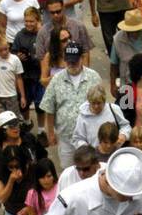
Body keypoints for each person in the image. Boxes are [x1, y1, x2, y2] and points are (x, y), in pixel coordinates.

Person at [40, 41, 101, 169]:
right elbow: (49, 108)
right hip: (66, 138)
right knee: (68, 172)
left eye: (75, 61)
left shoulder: (94, 77)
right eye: (69, 61)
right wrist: (50, 133)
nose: (72, 64)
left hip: (90, 137)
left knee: (90, 172)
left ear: (82, 58)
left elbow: (102, 105)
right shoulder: (56, 79)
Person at [109, 10, 142, 94]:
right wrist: (112, 85)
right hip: (127, 86)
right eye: (130, 30)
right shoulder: (118, 39)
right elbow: (114, 65)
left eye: (136, 30)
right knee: (126, 106)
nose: (133, 33)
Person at [36, 0, 91, 74]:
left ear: (64, 8)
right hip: (54, 73)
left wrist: (85, 75)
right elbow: (41, 58)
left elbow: (85, 52)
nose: (55, 15)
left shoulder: (79, 27)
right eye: (52, 12)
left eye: (58, 11)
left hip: (77, 71)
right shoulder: (43, 32)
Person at [11, 5, 44, 125]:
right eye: (26, 21)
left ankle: (41, 130)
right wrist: (17, 56)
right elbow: (13, 52)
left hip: (39, 75)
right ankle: (26, 123)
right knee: (23, 105)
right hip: (24, 76)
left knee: (40, 105)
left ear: (38, 20)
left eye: (31, 21)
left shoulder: (43, 34)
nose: (28, 24)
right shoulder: (20, 35)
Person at [72, 85, 130, 149]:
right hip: (93, 155)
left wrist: (123, 135)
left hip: (114, 151)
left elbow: (126, 126)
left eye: (99, 103)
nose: (96, 106)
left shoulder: (113, 109)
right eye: (93, 103)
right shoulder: (83, 116)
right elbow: (77, 139)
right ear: (89, 101)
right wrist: (86, 148)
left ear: (104, 101)